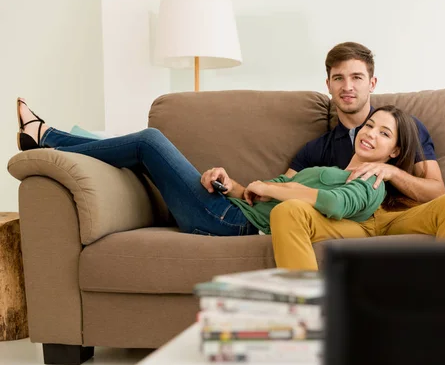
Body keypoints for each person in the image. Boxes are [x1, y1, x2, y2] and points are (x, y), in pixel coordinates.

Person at [15, 99, 405, 253]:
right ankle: (55, 139)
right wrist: (230, 183)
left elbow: (335, 204)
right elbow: (258, 195)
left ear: (395, 152)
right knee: (142, 153)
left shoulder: (373, 183)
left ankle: (48, 138)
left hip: (229, 223)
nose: (371, 134)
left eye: (384, 134)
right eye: (371, 125)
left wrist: (268, 187)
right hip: (231, 208)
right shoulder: (332, 169)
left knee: (149, 142)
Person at [263, 42, 445, 270]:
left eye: (357, 77)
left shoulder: (405, 127)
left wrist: (391, 172)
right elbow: (281, 187)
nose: (348, 86)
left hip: (400, 215)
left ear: (372, 83)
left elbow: (436, 191)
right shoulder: (316, 148)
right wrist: (234, 186)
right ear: (328, 85)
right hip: (348, 220)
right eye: (339, 78)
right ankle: (308, 302)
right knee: (286, 211)